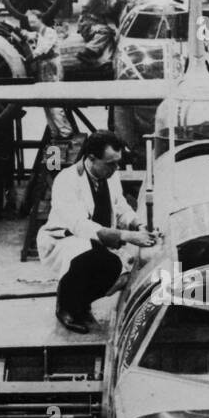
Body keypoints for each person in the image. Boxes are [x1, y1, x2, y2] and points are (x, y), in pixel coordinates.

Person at [37, 131, 155, 333]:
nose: (116, 168)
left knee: (118, 271)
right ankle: (65, 307)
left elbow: (120, 207)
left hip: (97, 241)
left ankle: (80, 301)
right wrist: (126, 236)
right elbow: (80, 226)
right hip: (66, 240)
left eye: (117, 163)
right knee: (95, 259)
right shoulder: (66, 181)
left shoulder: (109, 175)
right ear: (91, 159)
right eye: (111, 163)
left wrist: (138, 224)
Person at [24, 9, 75, 144]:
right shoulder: (38, 33)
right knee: (46, 103)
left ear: (40, 19)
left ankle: (65, 133)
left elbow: (44, 48)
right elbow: (28, 35)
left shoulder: (50, 33)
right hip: (44, 68)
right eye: (29, 21)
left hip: (52, 68)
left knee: (54, 102)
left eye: (33, 20)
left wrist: (30, 57)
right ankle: (54, 133)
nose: (31, 23)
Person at [76, 0, 126, 67]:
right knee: (106, 31)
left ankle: (105, 60)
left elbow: (111, 13)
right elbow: (85, 12)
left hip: (97, 26)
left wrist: (120, 0)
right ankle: (88, 51)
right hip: (87, 25)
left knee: (112, 36)